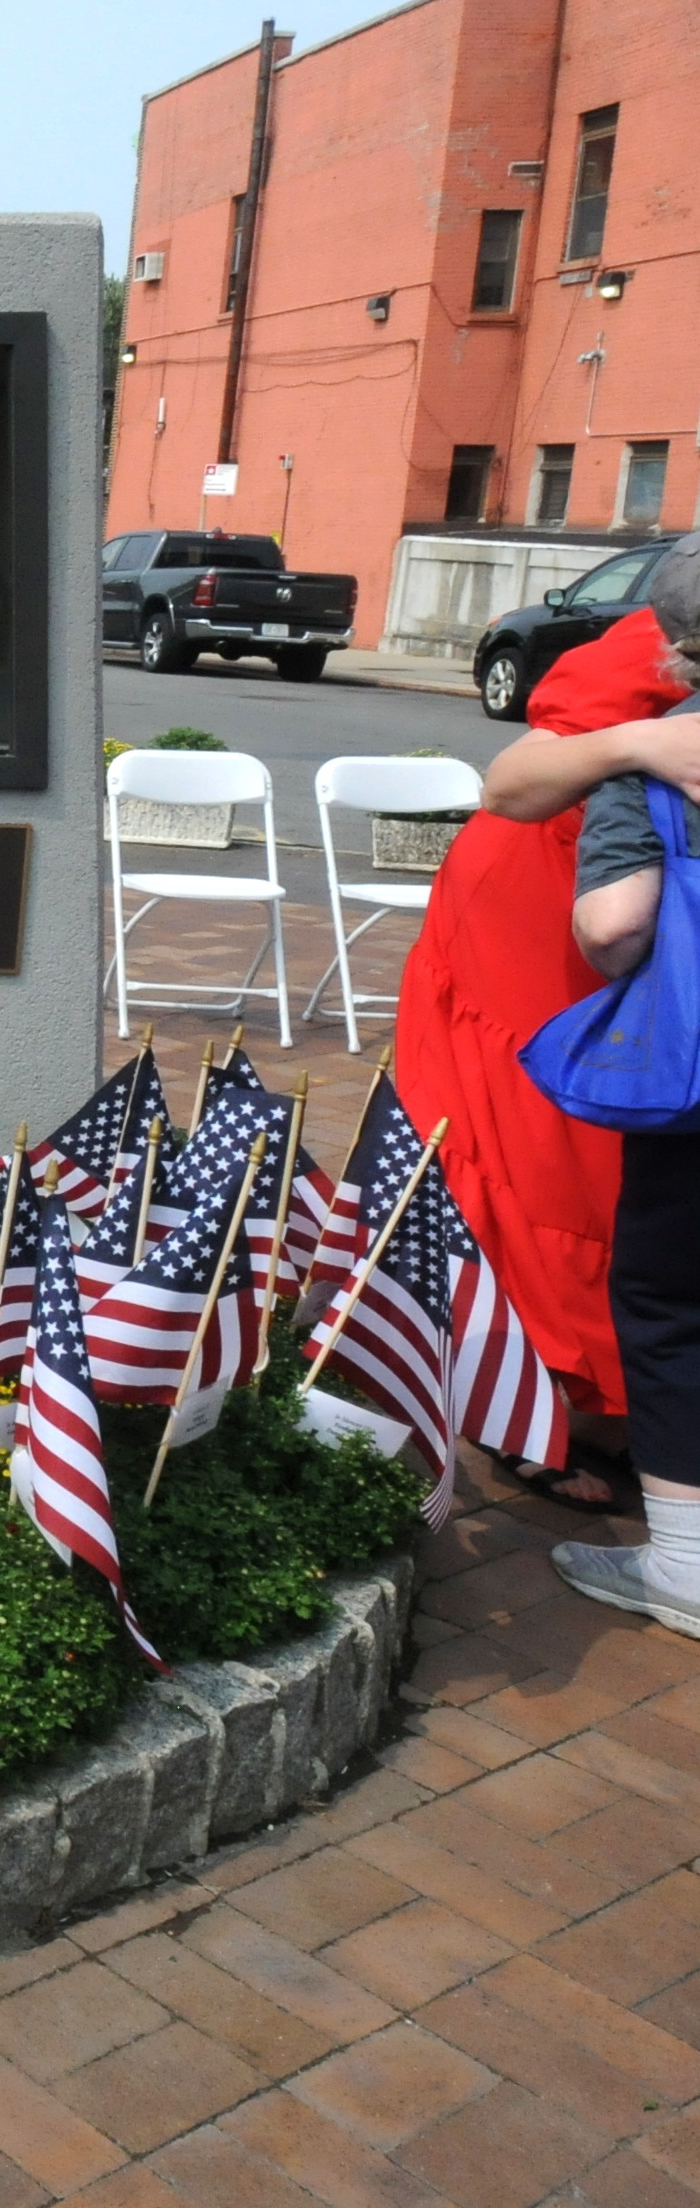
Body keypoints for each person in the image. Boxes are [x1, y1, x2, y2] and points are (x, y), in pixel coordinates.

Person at [401, 530, 700, 1511]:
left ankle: (624, 1405)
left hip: (640, 919)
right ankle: (537, 1410)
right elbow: (512, 782)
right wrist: (640, 744)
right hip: (542, 920)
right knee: (542, 1161)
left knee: (615, 1177)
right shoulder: (652, 643)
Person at [544, 573, 700, 1629]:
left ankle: (684, 1566)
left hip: (695, 1085)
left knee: (674, 1301)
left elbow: (613, 925)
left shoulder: (661, 755)